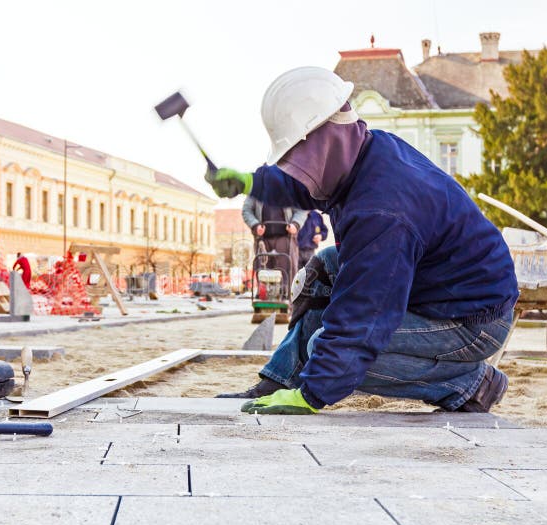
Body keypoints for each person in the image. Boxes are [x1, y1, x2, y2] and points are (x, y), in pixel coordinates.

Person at [210, 67, 518, 413]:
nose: (294, 169)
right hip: (436, 290)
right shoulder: (363, 152)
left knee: (339, 354)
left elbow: (363, 320)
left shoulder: (382, 211)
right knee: (326, 267)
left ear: (320, 144)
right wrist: (251, 183)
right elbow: (312, 185)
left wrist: (312, 395)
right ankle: (281, 378)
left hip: (472, 320)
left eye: (295, 159)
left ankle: (471, 384)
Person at [242, 196, 307, 293]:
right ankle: (264, 294)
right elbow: (246, 210)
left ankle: (286, 295)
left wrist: (295, 224)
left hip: (285, 237)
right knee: (262, 269)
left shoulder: (288, 187)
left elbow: (301, 209)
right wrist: (255, 225)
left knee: (287, 270)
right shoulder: (256, 189)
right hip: (263, 239)